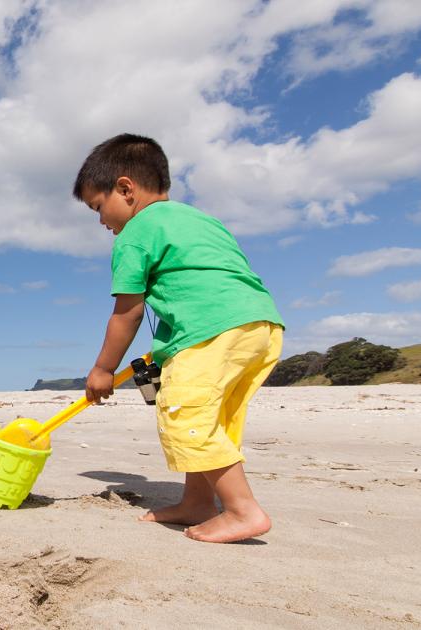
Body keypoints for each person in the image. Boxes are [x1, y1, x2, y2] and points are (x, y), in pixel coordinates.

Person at [73, 133, 284, 543]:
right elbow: (202, 282)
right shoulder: (200, 219)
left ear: (125, 189)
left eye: (99, 208)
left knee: (185, 413)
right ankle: (198, 503)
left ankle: (243, 511)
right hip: (259, 326)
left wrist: (103, 368)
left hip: (212, 330)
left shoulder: (135, 233)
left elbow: (128, 310)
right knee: (213, 417)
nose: (102, 221)